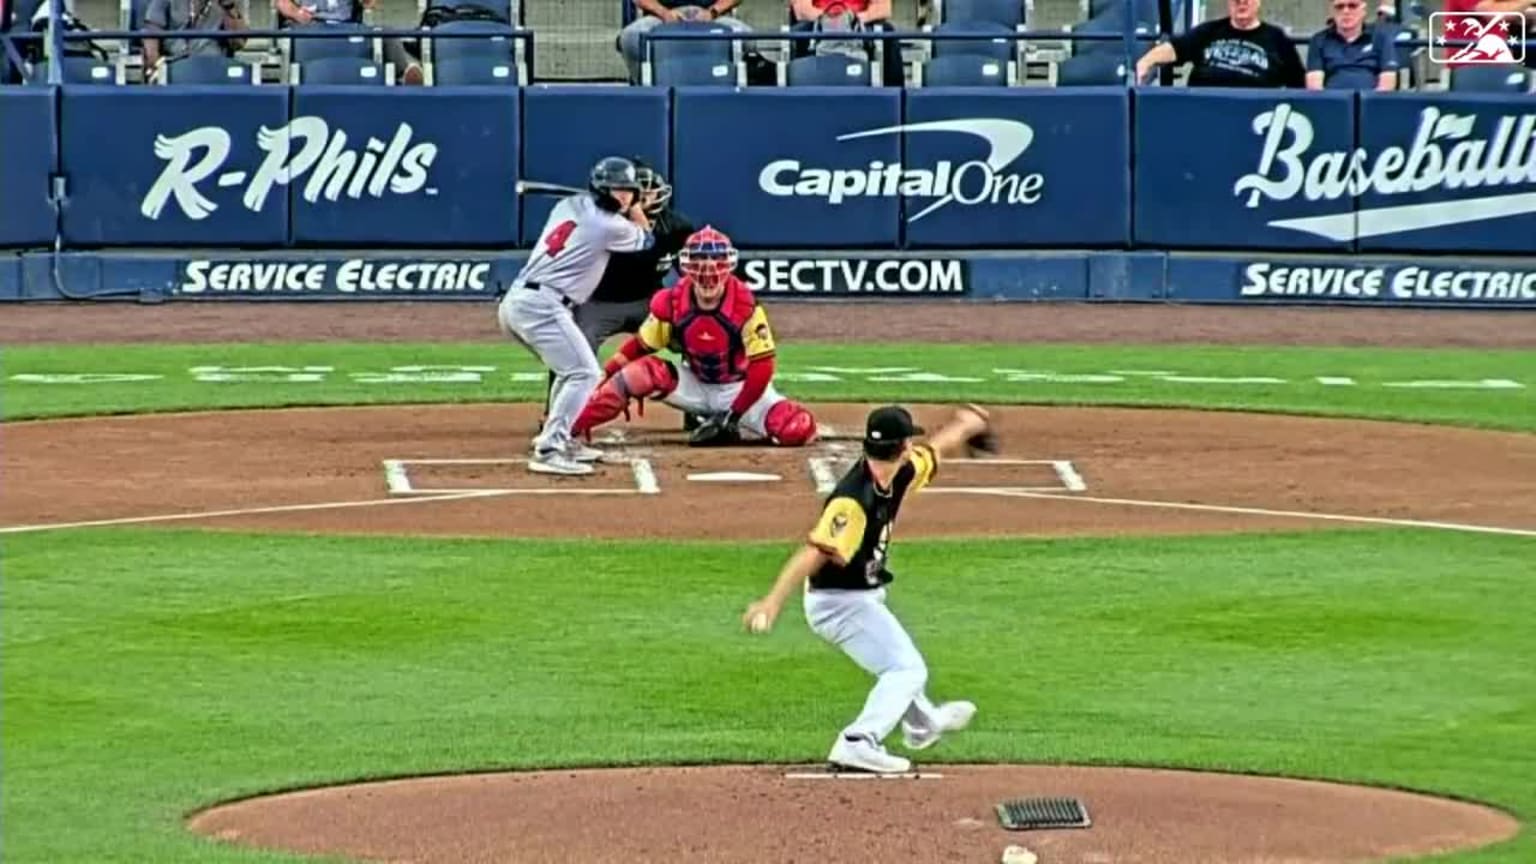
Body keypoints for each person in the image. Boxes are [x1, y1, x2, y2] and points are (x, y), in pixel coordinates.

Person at [740, 404, 996, 773]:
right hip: (838, 604)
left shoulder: (899, 471)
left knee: (895, 661)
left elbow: (935, 450)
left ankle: (923, 726)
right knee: (906, 670)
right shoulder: (853, 501)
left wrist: (964, 426)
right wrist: (772, 603)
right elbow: (814, 552)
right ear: (903, 445)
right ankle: (857, 742)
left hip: (861, 595)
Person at [569, 226, 819, 449]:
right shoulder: (673, 302)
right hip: (695, 384)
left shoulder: (745, 307)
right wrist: (607, 373)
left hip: (739, 390)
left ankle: (724, 420)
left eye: (714, 262)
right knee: (638, 374)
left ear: (727, 266)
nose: (707, 271)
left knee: (796, 426)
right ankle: (567, 427)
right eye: (700, 262)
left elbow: (762, 368)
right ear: (688, 266)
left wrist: (732, 417)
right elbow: (641, 345)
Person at [497, 156, 653, 476]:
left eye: (629, 191)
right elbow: (647, 239)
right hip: (542, 304)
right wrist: (639, 208)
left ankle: (560, 437)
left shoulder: (569, 206)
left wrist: (620, 200)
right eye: (619, 191)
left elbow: (597, 207)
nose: (625, 196)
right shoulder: (608, 226)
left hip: (525, 301)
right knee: (584, 373)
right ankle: (550, 448)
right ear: (602, 190)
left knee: (571, 372)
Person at [539, 159, 695, 434]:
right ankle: (558, 415)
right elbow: (644, 243)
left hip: (650, 301)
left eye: (650, 192)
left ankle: (699, 412)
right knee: (573, 346)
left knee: (693, 332)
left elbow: (685, 271)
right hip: (599, 302)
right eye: (640, 192)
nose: (646, 197)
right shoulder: (605, 223)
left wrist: (690, 309)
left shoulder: (677, 226)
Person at [1133, 0, 1305, 87]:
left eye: (1247, 0)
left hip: (1254, 118)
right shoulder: (1208, 31)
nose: (1241, 3)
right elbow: (1175, 48)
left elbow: (1298, 85)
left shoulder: (1277, 39)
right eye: (1236, 0)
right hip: (1205, 111)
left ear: (1258, 2)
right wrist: (1146, 61)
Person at [274, 0, 423, 84]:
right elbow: (282, 3)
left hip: (347, 26)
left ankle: (405, 76)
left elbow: (370, 3)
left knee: (387, 33)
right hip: (309, 26)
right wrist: (296, 13)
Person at [618, 0, 752, 83]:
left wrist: (712, 12)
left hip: (711, 15)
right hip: (661, 16)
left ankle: (732, 89)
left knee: (749, 38)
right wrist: (664, 13)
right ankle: (644, 88)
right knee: (630, 38)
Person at [143, 0, 248, 80]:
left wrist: (229, 7)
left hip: (214, 67)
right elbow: (152, 28)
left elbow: (239, 43)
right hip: (175, 65)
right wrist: (154, 60)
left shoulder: (232, 4)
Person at [1304, 0, 1398, 89]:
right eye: (1339, 7)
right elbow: (1314, 87)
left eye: (1352, 6)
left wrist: (1370, 104)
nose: (1346, 11)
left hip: (1371, 102)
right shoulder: (1319, 40)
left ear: (1363, 10)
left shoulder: (1381, 38)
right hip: (1332, 103)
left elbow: (1388, 83)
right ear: (1332, 12)